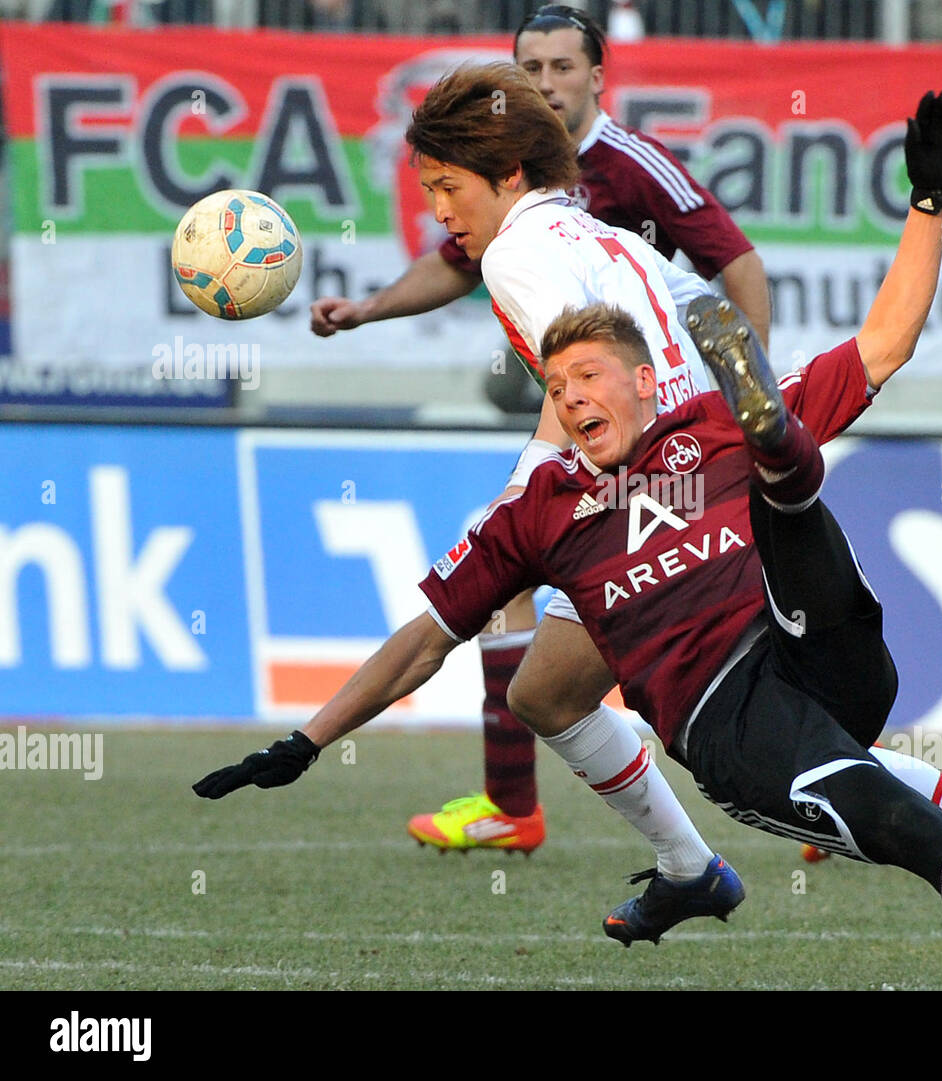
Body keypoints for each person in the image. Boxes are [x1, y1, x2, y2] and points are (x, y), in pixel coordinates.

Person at [194, 93, 942, 988]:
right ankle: (757, 854)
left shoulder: (522, 259)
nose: (440, 212)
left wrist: (537, 496)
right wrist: (924, 210)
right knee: (567, 687)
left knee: (709, 710)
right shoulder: (601, 243)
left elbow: (592, 379)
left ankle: (699, 860)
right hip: (730, 510)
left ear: (506, 174)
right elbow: (733, 316)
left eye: (445, 187)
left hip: (680, 539)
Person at [310, 6, 770, 856]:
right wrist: (369, 310)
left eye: (562, 66)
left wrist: (755, 416)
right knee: (544, 640)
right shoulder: (497, 193)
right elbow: (457, 267)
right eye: (530, 67)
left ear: (597, 77)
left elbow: (732, 268)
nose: (545, 82)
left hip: (670, 451)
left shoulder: (621, 170)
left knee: (714, 700)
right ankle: (518, 803)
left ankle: (824, 795)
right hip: (618, 438)